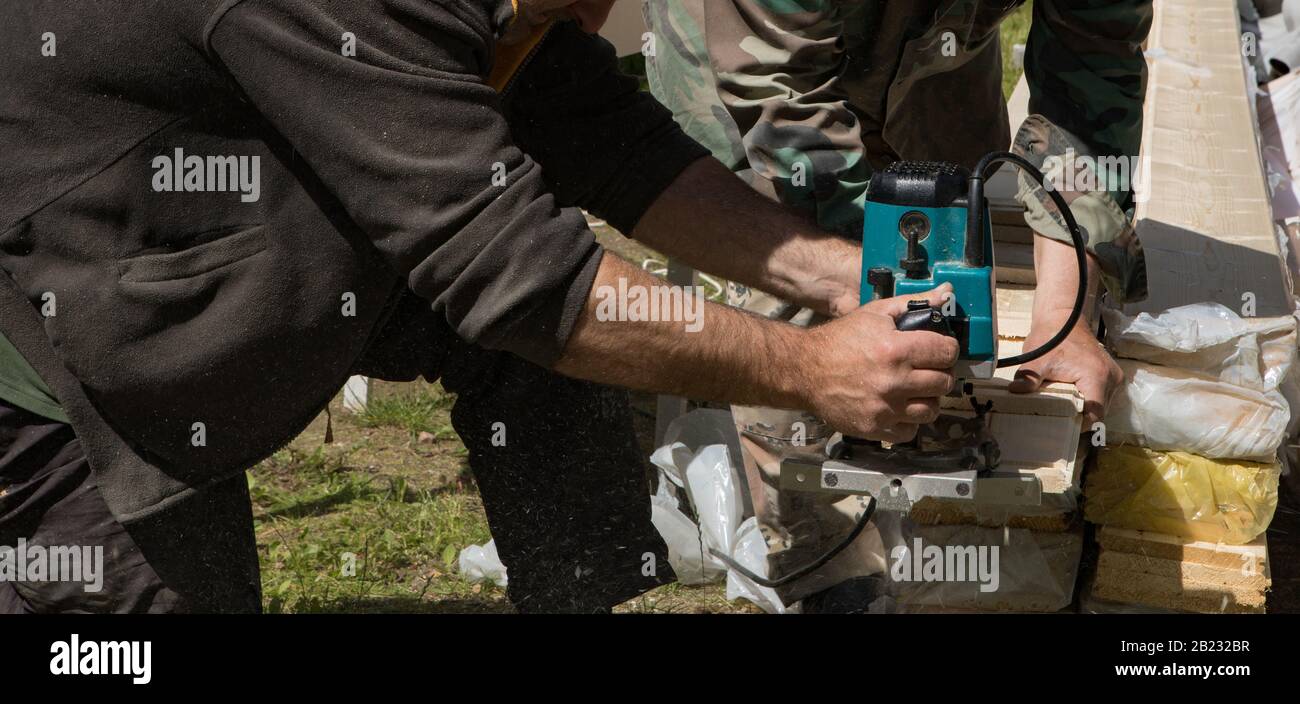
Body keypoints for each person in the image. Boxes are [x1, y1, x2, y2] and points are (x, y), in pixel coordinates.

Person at [0, 0, 958, 612]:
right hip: (58, 312)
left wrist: (842, 273)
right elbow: (526, 279)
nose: (594, 19)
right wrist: (810, 371)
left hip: (253, 228)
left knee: (540, 360)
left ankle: (587, 594)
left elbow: (610, 140)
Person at [645, 0, 1149, 611]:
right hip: (760, 58)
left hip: (939, 54)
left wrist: (1063, 317)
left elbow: (1090, 74)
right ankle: (822, 563)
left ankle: (937, 545)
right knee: (794, 276)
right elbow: (779, 91)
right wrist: (860, 304)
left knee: (949, 228)